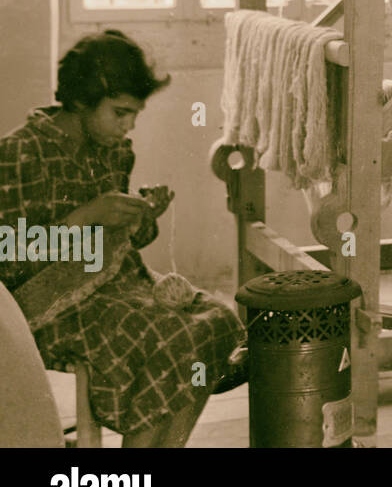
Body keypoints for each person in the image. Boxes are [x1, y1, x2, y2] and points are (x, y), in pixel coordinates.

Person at [0, 31, 245, 447]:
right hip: (48, 309)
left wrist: (143, 218)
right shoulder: (21, 152)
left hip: (117, 289)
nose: (129, 125)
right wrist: (86, 216)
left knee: (218, 320)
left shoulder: (115, 151)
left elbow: (120, 248)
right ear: (80, 101)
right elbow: (11, 259)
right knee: (174, 337)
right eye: (120, 112)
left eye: (134, 114)